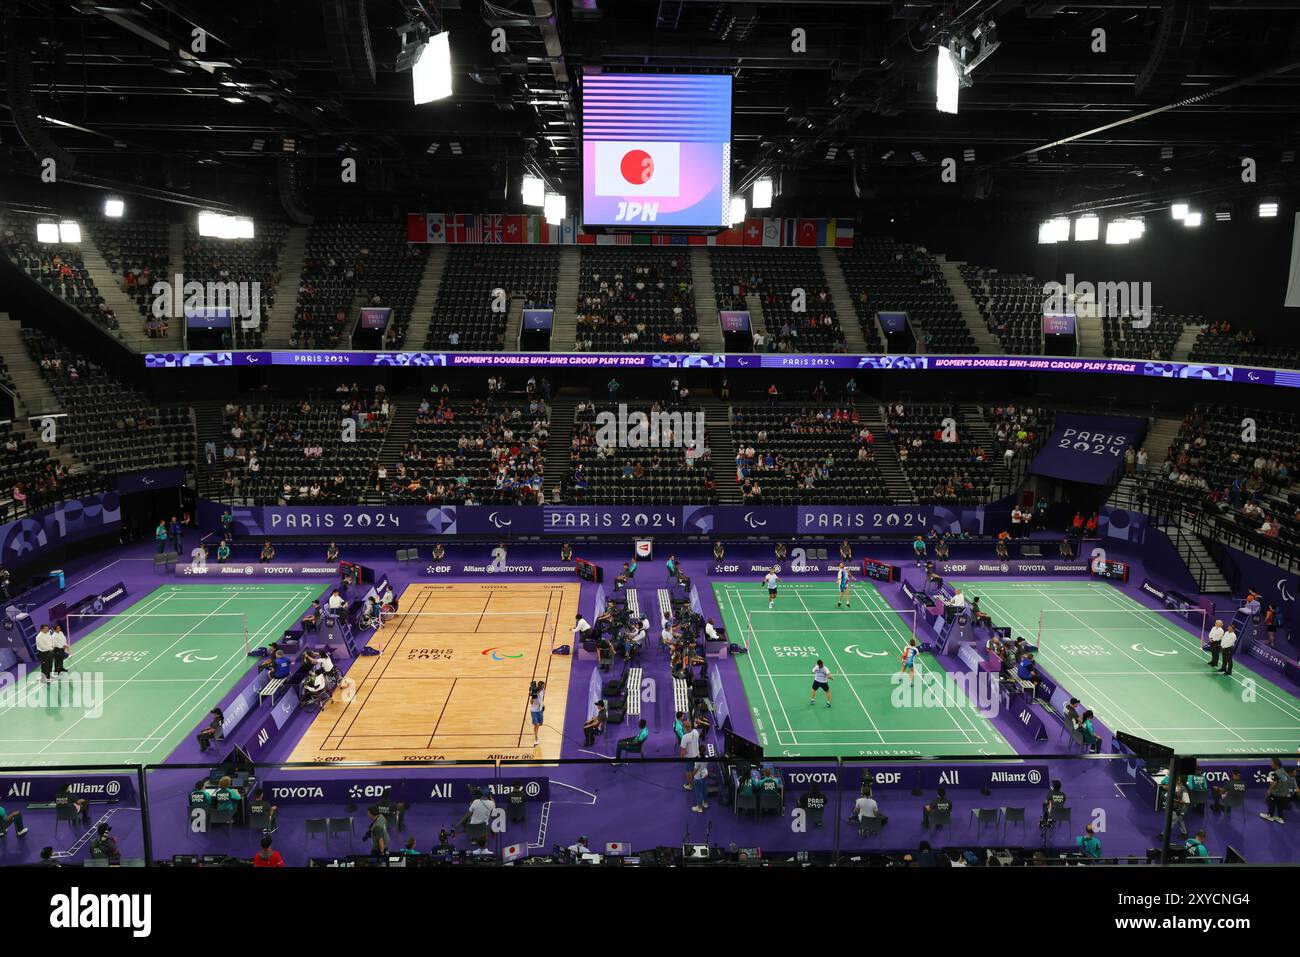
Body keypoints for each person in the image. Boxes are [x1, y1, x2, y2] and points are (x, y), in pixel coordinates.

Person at [1261, 756, 1294, 823]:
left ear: (1276, 764)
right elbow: (1287, 781)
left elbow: (1274, 783)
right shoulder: (1283, 771)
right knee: (1280, 805)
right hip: (1284, 793)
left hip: (1277, 793)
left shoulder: (1275, 773)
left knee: (1271, 801)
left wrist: (1269, 790)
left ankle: (1270, 816)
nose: (1271, 764)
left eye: (1272, 763)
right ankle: (1280, 818)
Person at [679, 719, 701, 790]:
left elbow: (683, 750)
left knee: (689, 772)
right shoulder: (696, 731)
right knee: (695, 770)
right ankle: (696, 782)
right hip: (697, 755)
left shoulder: (685, 737)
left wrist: (681, 757)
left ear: (685, 728)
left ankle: (690, 785)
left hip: (689, 757)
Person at [528, 681, 546, 749]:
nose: (544, 687)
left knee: (540, 724)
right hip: (534, 711)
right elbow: (531, 702)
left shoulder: (542, 690)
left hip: (540, 710)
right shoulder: (535, 693)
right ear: (540, 686)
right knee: (537, 724)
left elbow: (541, 699)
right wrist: (532, 695)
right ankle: (536, 738)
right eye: (543, 686)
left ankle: (536, 733)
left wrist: (543, 704)